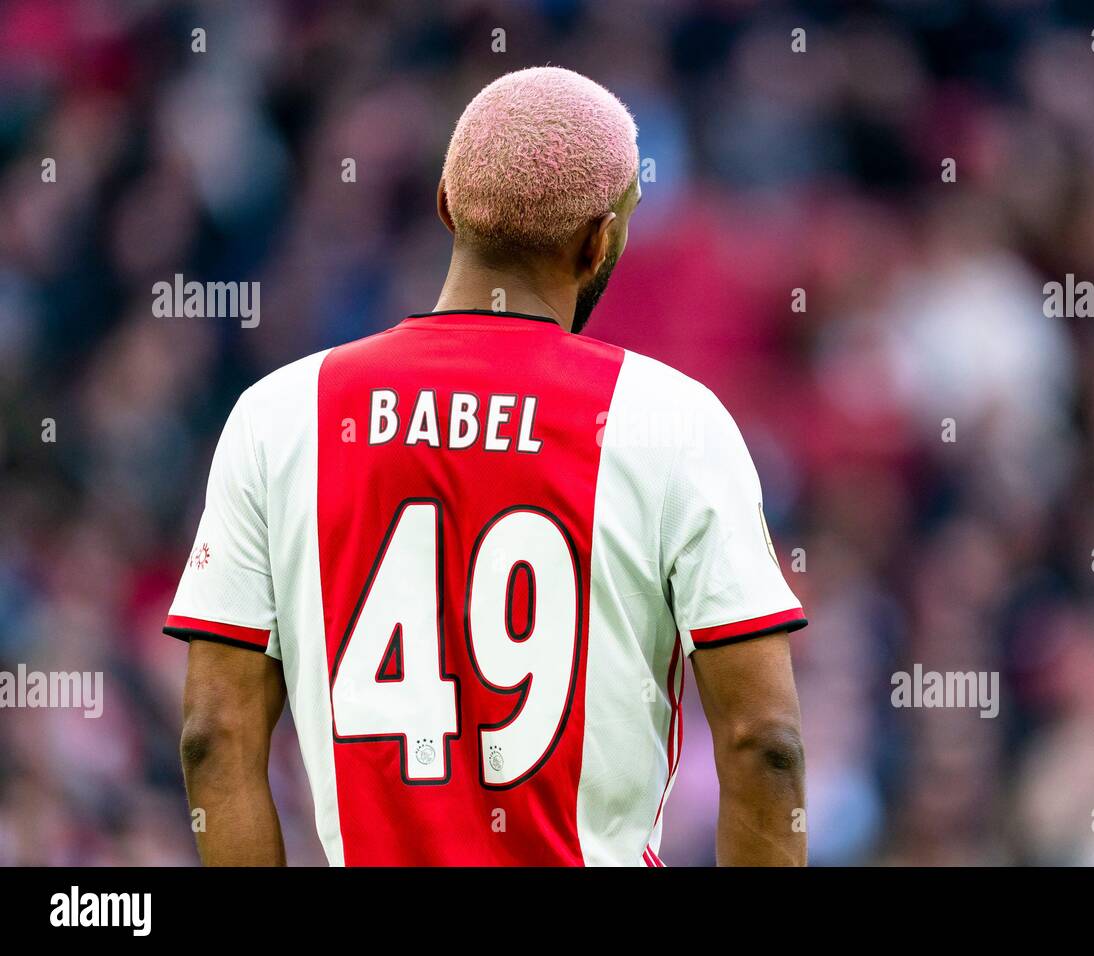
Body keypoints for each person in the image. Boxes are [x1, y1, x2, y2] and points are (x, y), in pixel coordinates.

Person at [166, 66, 807, 866]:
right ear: (598, 238)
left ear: (445, 206)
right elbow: (765, 741)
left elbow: (212, 738)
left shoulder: (280, 414)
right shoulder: (673, 421)